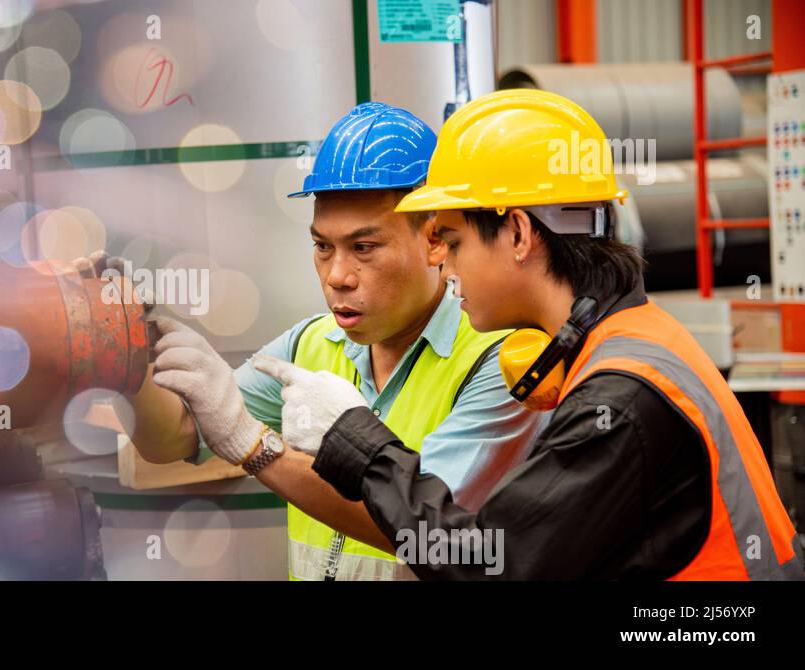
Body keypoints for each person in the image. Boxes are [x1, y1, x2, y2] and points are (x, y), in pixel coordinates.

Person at [255, 89, 805, 580]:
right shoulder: (632, 337)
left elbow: (493, 562)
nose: (445, 268)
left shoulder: (617, 399)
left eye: (454, 241)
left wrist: (358, 442)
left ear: (517, 232)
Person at [134, 102, 545, 580]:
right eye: (322, 247)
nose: (337, 277)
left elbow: (430, 532)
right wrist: (127, 360)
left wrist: (255, 448)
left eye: (363, 248)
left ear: (435, 239)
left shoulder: (501, 362)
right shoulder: (310, 345)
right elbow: (174, 438)